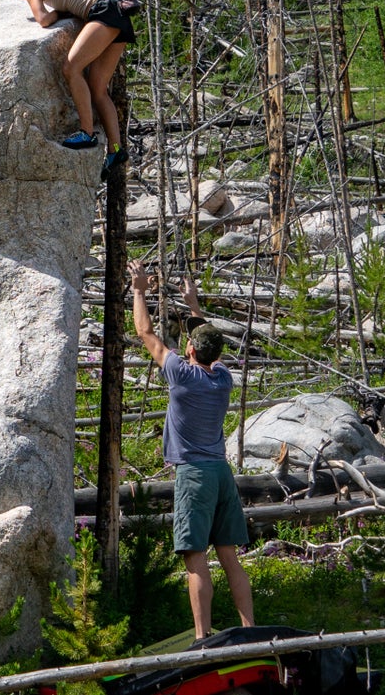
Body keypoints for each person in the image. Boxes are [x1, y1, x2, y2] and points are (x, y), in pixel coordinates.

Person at [128, 260, 255, 641]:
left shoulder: (181, 375)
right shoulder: (223, 378)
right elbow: (207, 343)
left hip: (194, 475)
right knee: (229, 556)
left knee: (195, 558)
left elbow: (144, 332)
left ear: (189, 349)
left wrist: (138, 290)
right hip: (221, 473)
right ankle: (250, 629)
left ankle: (202, 638)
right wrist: (194, 304)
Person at [0, 0, 133, 177]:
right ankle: (115, 149)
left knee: (71, 69)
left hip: (103, 15)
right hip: (118, 14)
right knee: (98, 90)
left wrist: (60, 13)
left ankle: (87, 132)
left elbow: (43, 19)